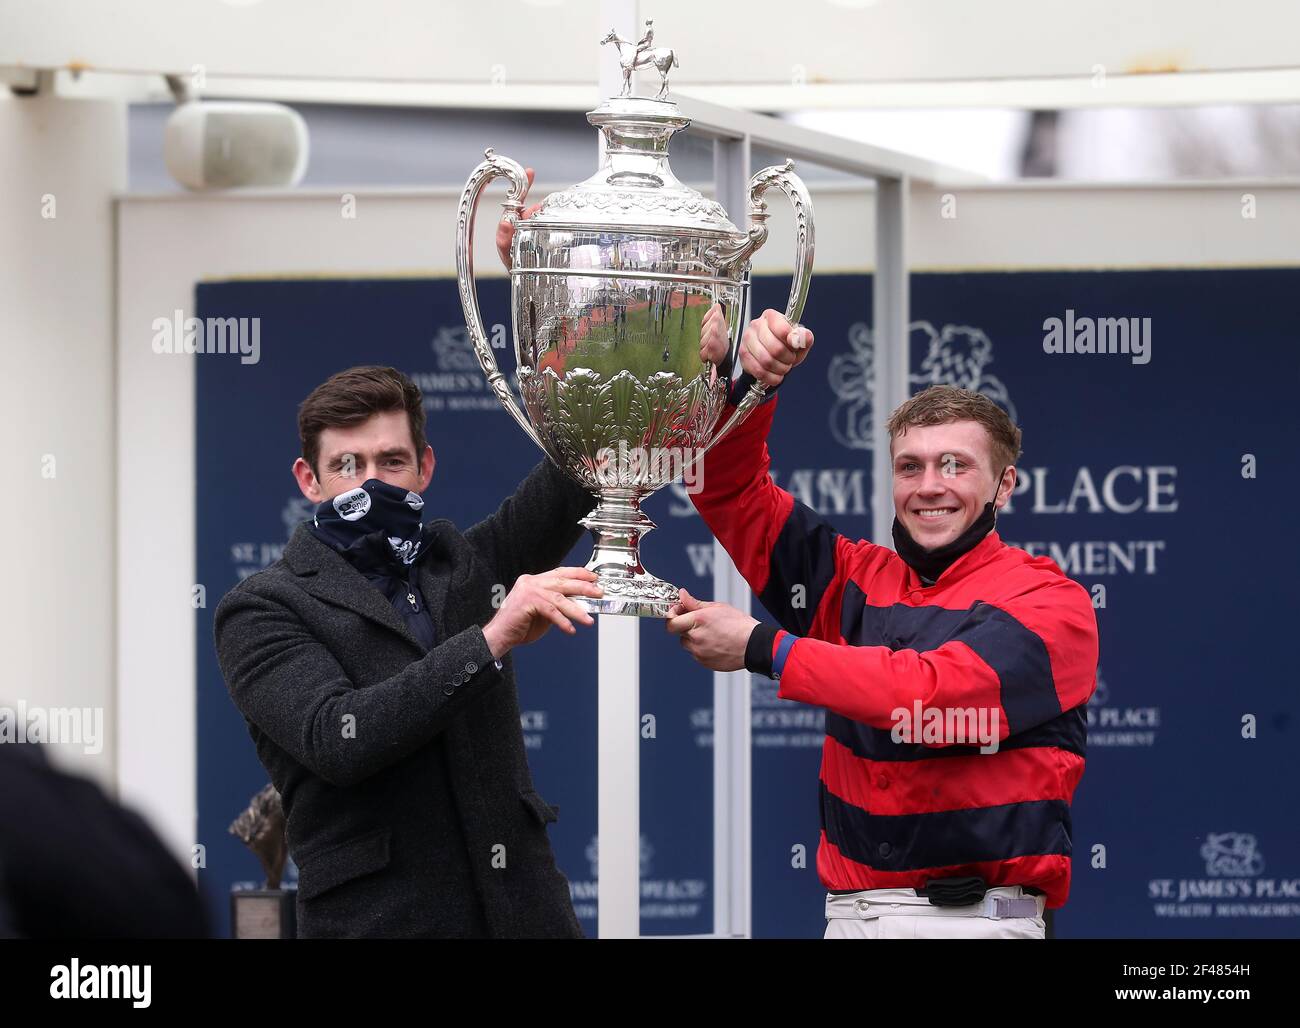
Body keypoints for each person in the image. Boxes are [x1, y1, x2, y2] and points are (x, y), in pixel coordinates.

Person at [668, 311, 1099, 939]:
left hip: (977, 923)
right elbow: (725, 488)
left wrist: (764, 647)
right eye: (909, 466)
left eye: (955, 465)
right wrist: (755, 384)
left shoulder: (1053, 604)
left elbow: (924, 697)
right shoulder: (853, 577)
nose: (930, 487)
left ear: (1004, 483)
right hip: (849, 915)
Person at [213, 365, 602, 938]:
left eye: (392, 462)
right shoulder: (262, 608)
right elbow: (339, 736)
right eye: (347, 465)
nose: (371, 483)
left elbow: (583, 467)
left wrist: (716, 368)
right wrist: (490, 640)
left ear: (424, 468)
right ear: (309, 479)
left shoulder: (468, 564)